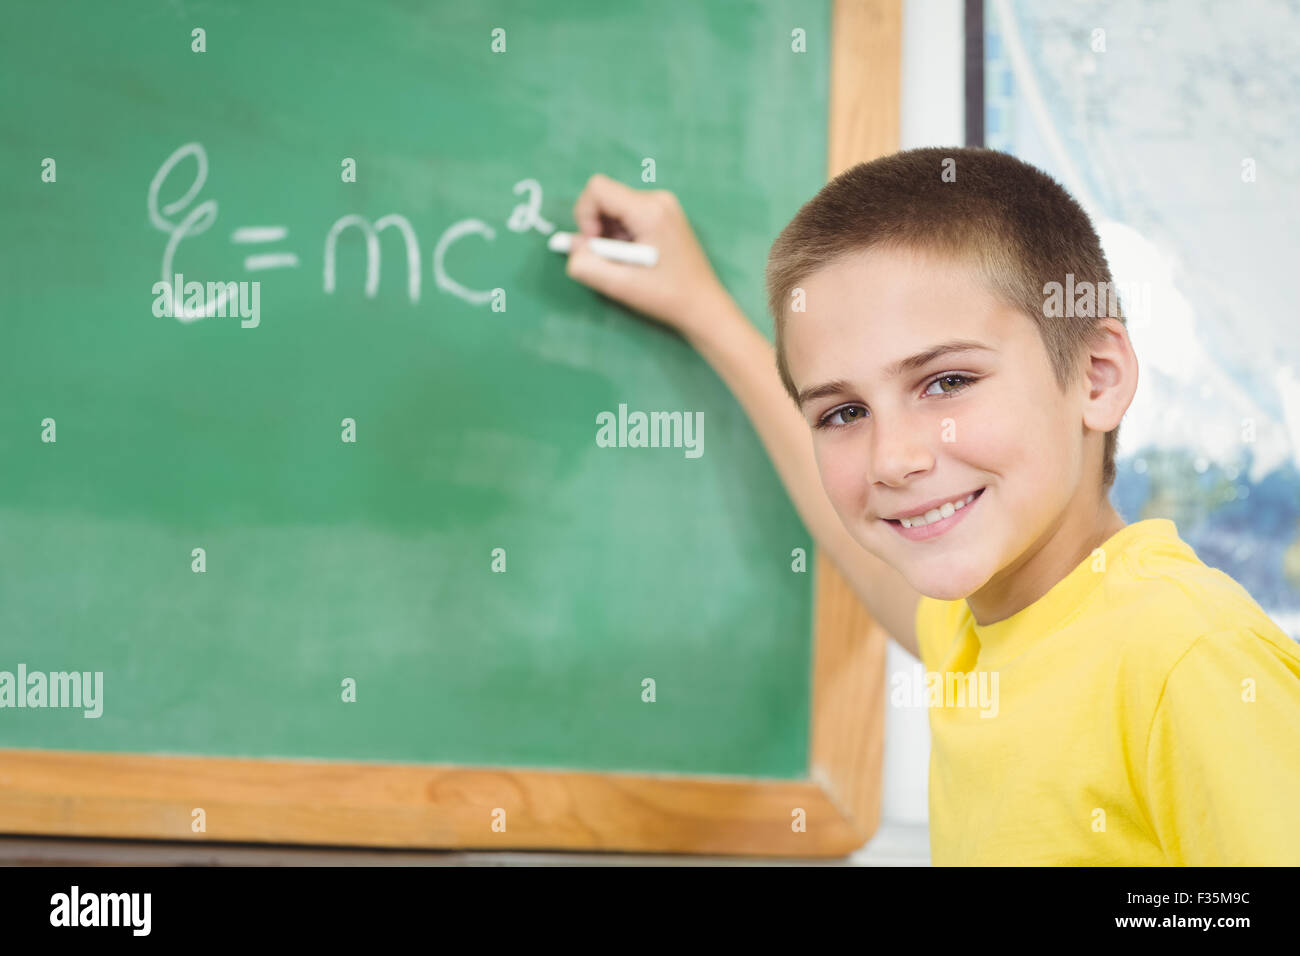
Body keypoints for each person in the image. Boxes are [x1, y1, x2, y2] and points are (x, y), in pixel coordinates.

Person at [560, 147, 1300, 865]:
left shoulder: (1185, 658)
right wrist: (704, 309)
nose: (892, 459)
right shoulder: (984, 627)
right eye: (843, 414)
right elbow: (865, 556)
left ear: (1097, 377)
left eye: (946, 382)